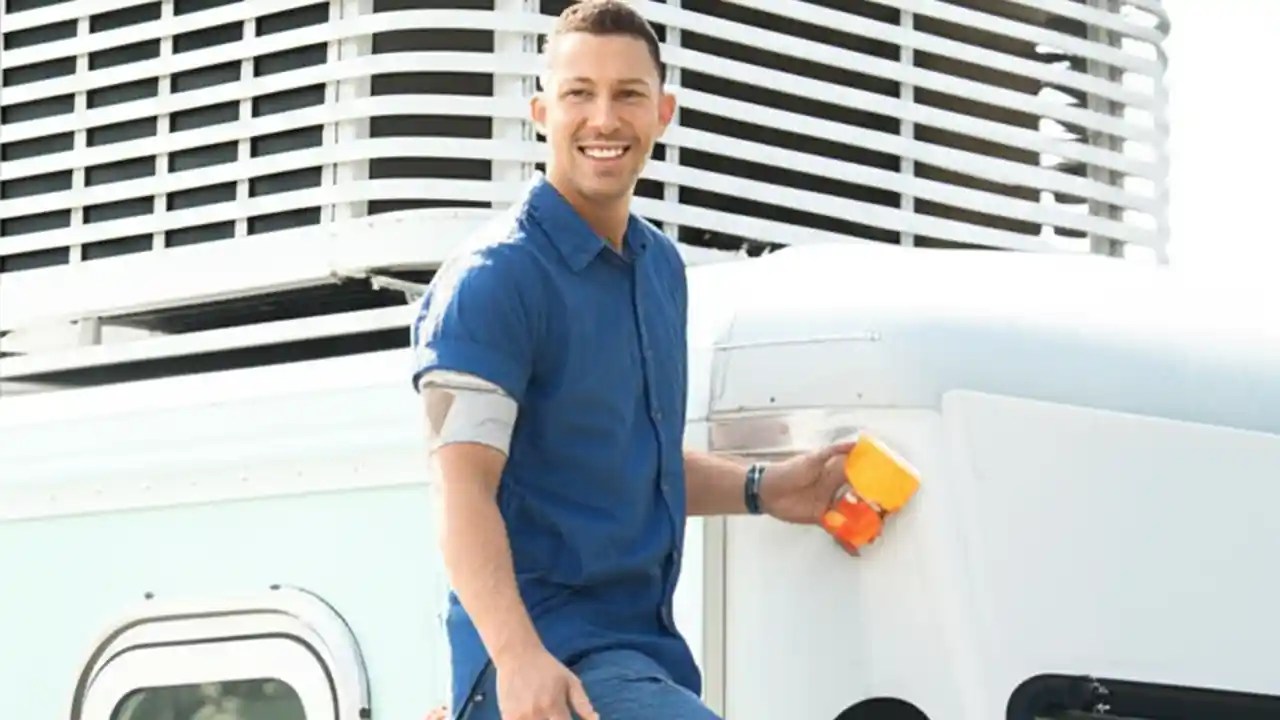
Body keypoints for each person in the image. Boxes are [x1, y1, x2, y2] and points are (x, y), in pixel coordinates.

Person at [409, 2, 857, 718]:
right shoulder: (492, 280)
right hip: (544, 671)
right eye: (579, 93)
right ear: (541, 111)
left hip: (643, 663)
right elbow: (460, 491)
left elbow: (624, 457)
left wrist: (764, 489)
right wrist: (519, 661)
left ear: (662, 113)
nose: (604, 119)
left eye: (628, 95)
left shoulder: (660, 272)